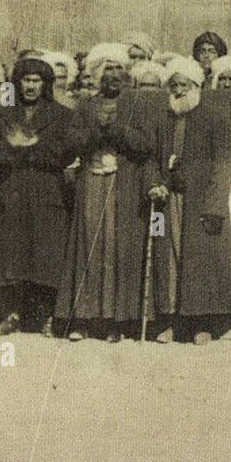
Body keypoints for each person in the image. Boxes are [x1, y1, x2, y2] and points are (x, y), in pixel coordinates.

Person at [55, 53, 154, 341]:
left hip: (123, 185)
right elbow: (70, 143)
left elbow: (145, 144)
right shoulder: (85, 105)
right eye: (106, 70)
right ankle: (83, 319)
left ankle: (115, 322)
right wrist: (96, 131)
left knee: (116, 247)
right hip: (91, 182)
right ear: (98, 75)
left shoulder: (137, 104)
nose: (112, 76)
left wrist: (116, 130)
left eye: (118, 70)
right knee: (89, 245)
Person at [145, 58, 231, 344]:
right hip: (168, 202)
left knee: (202, 263)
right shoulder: (161, 121)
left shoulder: (214, 120)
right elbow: (150, 158)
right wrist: (154, 184)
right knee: (169, 262)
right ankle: (172, 323)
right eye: (173, 86)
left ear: (196, 86)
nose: (177, 91)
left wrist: (214, 205)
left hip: (202, 204)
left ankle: (203, 325)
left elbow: (223, 166)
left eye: (183, 85)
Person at [0, 57, 74, 336]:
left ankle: (47, 315)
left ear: (46, 84)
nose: (31, 86)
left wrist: (27, 146)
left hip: (47, 191)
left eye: (37, 81)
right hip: (12, 190)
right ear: (17, 83)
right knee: (11, 254)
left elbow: (65, 152)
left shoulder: (62, 115)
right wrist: (17, 149)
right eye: (26, 80)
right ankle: (11, 314)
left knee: (47, 255)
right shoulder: (4, 114)